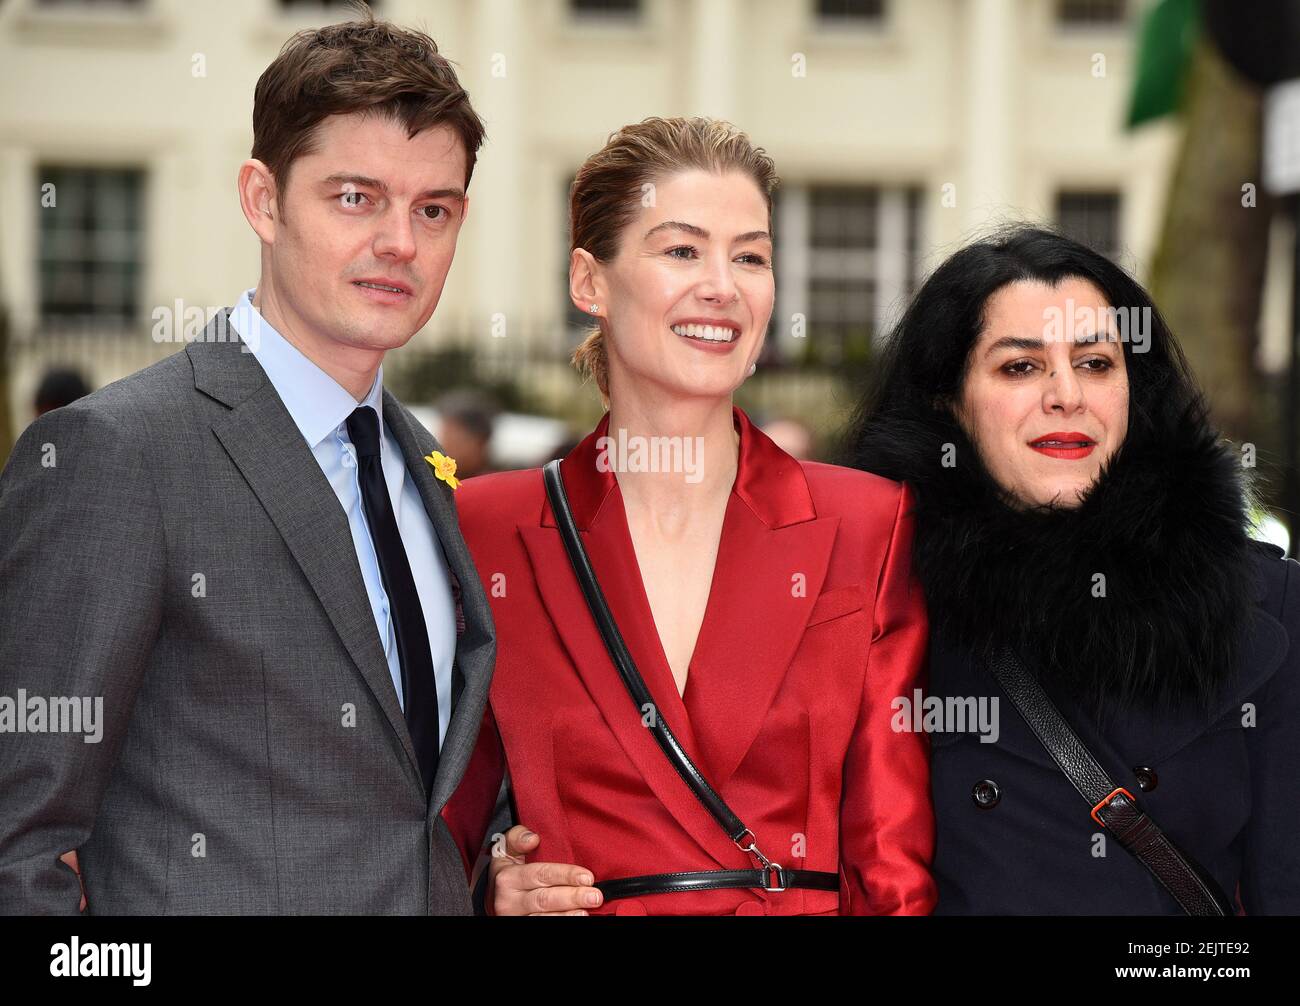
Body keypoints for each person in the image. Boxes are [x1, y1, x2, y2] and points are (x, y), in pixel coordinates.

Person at [0, 9, 498, 914]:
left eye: (435, 209)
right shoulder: (117, 455)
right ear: (261, 199)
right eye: (356, 196)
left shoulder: (429, 471)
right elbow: (15, 838)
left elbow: (405, 809)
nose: (401, 242)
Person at [440, 117, 937, 916]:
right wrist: (488, 891)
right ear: (588, 282)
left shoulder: (867, 521)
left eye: (751, 256)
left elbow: (891, 855)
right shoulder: (487, 525)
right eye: (681, 250)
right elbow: (434, 828)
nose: (723, 285)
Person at [846, 226, 1300, 914]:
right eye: (1019, 367)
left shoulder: (1267, 603)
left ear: (1132, 390)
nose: (1066, 395)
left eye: (1095, 363)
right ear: (949, 399)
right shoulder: (879, 604)